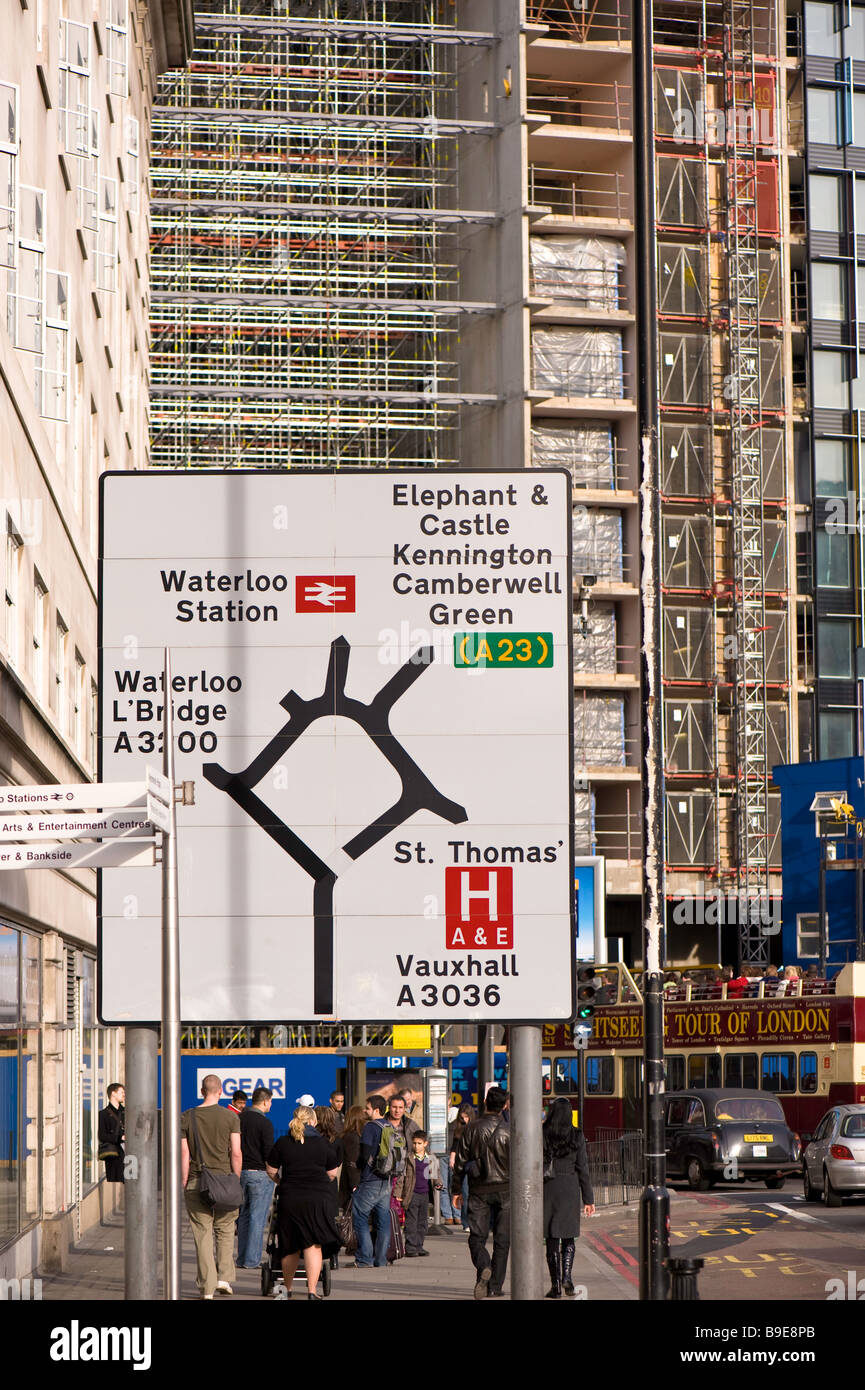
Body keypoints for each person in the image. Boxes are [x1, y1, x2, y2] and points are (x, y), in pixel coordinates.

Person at [266, 1105, 339, 1300]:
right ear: (314, 1121)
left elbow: (271, 1169)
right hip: (317, 1200)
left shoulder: (283, 1142)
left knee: (289, 1246)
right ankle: (312, 1291)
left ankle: (287, 1289)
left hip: (290, 1198)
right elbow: (332, 1172)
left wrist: (283, 1181)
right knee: (313, 1244)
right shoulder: (323, 1144)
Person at [181, 1073, 242, 1299]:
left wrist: (184, 1180)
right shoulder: (231, 1118)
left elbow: (184, 1153)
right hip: (225, 1180)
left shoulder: (187, 1117)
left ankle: (207, 1287)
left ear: (201, 1091)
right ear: (221, 1091)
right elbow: (236, 1152)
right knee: (225, 1229)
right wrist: (235, 1178)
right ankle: (224, 1278)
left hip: (198, 1180)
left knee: (202, 1234)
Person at [452, 1085, 510, 1299]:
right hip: (506, 1190)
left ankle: (484, 1266)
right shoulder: (509, 1130)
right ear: (504, 1105)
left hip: (478, 1189)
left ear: (485, 1102)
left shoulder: (472, 1128)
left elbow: (459, 1162)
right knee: (502, 1241)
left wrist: (456, 1190)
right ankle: (495, 1286)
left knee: (477, 1237)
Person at [541, 1097, 595, 1299]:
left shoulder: (544, 1132)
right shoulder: (577, 1135)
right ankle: (567, 1277)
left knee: (552, 1236)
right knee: (569, 1236)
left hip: (549, 1187)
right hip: (570, 1188)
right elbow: (583, 1169)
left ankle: (555, 1286)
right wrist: (588, 1199)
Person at [351, 1095, 398, 1268]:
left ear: (376, 1110)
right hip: (387, 1179)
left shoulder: (371, 1127)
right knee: (383, 1220)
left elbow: (364, 1154)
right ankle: (381, 1259)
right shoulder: (390, 1126)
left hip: (371, 1179)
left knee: (360, 1216)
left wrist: (358, 1166)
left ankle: (364, 1258)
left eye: (367, 1108)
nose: (365, 1110)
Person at [236, 1086, 275, 1269]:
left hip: (240, 1173)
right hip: (260, 1174)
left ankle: (242, 1258)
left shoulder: (238, 1118)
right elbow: (268, 1153)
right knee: (257, 1218)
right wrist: (274, 1175)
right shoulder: (265, 1123)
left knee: (243, 1216)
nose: (271, 1105)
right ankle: (252, 1260)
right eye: (270, 1101)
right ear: (266, 1101)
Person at [403, 1131, 442, 1257]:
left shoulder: (430, 1158)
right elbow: (402, 1178)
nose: (416, 1146)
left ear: (425, 1143)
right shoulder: (408, 1158)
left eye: (419, 1143)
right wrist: (399, 1194)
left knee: (422, 1222)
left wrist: (438, 1184)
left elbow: (435, 1175)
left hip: (425, 1194)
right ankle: (410, 1247)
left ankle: (419, 1246)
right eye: (414, 1143)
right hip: (412, 1193)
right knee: (411, 1222)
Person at [448, 1102, 476, 1230]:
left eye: (466, 1117)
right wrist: (452, 1159)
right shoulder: (459, 1129)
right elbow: (455, 1145)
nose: (464, 1119)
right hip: (463, 1164)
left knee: (473, 1194)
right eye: (462, 1117)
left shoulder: (475, 1128)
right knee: (465, 1193)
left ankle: (472, 1220)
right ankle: (466, 1222)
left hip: (473, 1163)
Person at [338, 1105, 366, 1209]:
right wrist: (355, 1184)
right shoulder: (353, 1136)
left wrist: (355, 1184)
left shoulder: (352, 1136)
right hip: (354, 1183)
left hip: (354, 1182)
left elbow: (352, 1162)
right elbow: (352, 1162)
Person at [98, 1083, 126, 1183]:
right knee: (117, 1182)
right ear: (113, 1094)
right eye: (121, 1092)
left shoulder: (126, 1112)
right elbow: (102, 1135)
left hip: (130, 1154)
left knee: (131, 1182)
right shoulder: (103, 1114)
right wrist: (120, 1138)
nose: (124, 1095)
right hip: (114, 1155)